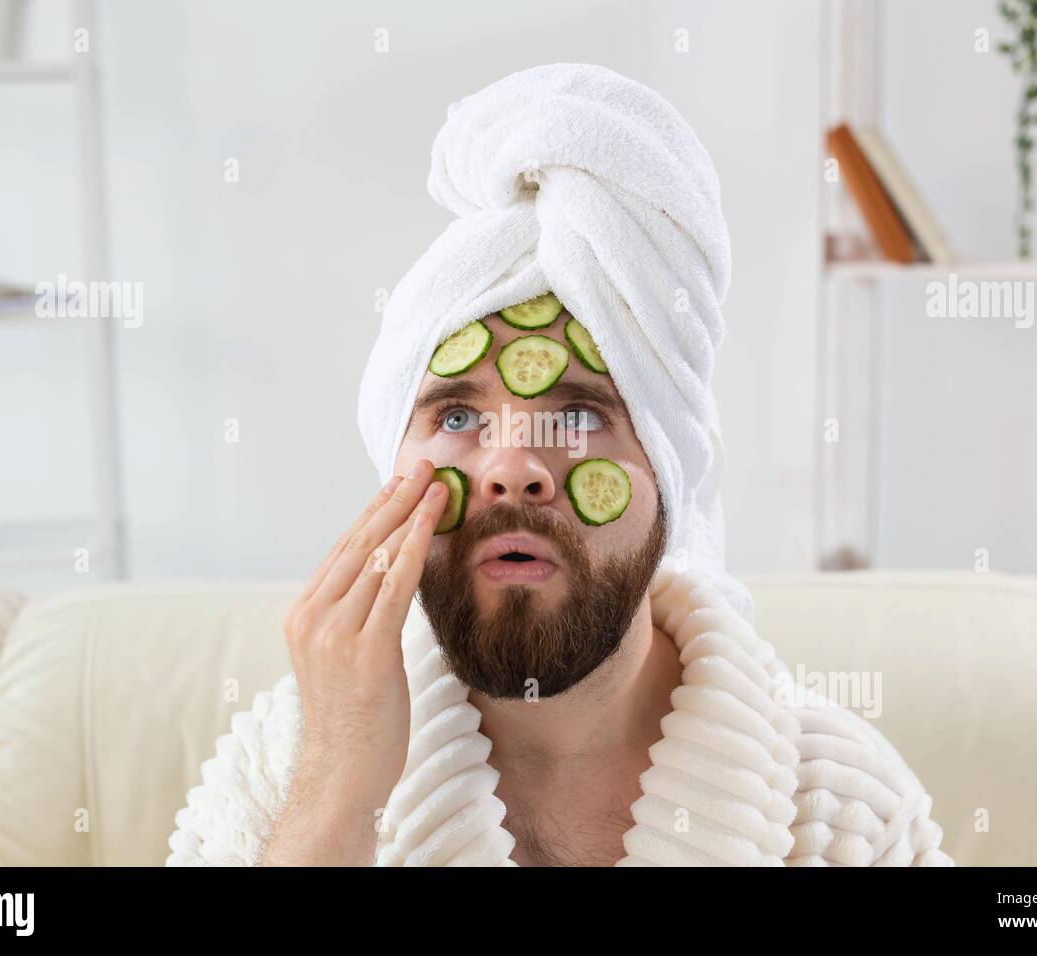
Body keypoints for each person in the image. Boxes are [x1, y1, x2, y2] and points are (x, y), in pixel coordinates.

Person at [166, 62, 953, 867]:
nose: (514, 470)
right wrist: (338, 791)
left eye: (578, 415)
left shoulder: (842, 812)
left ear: (668, 474)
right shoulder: (284, 767)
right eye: (459, 415)